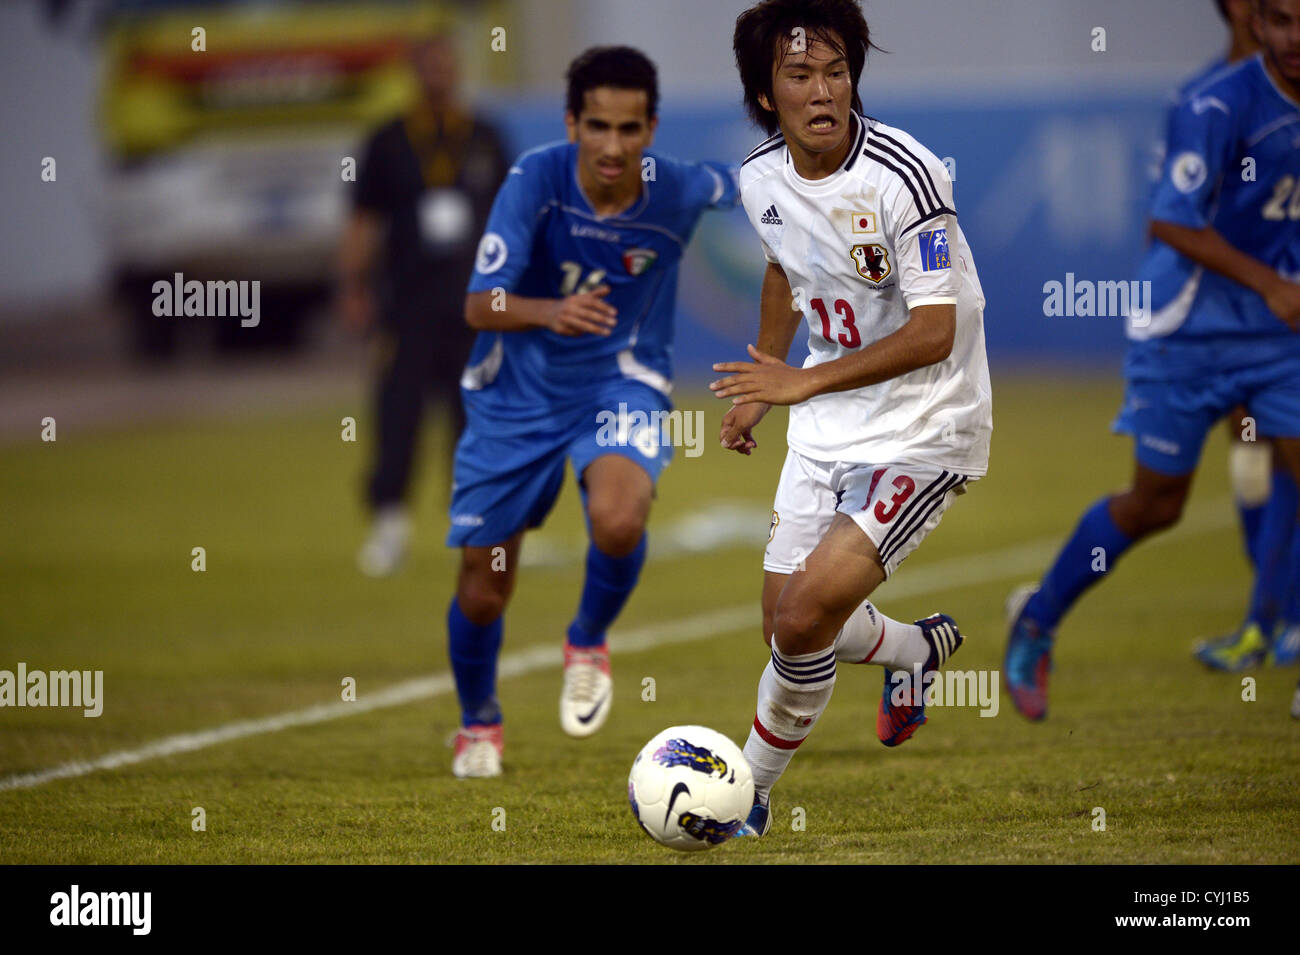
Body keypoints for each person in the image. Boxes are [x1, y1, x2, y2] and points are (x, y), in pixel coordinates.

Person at [713, 0, 991, 836]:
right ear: (767, 94)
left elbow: (935, 331)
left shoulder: (904, 175)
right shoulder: (760, 177)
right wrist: (768, 375)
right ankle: (915, 650)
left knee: (803, 620)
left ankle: (747, 795)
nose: (823, 91)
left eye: (837, 72)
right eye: (800, 75)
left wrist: (808, 380)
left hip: (925, 422)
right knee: (784, 621)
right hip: (826, 422)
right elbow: (780, 264)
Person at [445, 46, 739, 777]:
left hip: (621, 381)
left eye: (630, 129)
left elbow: (759, 188)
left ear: (652, 128)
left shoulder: (678, 189)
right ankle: (479, 721)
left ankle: (587, 640)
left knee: (618, 516)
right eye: (598, 126)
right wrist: (553, 309)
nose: (614, 145)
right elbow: (481, 302)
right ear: (573, 123)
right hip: (517, 396)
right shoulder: (535, 179)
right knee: (485, 587)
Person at [1004, 0, 1300, 721]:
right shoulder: (1215, 104)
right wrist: (1268, 282)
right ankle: (1038, 619)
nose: (1295, 38)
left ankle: (1274, 627)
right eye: (1282, 20)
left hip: (1278, 339)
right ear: (1254, 24)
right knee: (1156, 504)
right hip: (1186, 331)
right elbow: (1170, 218)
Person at [339, 34, 510, 577]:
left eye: (447, 65)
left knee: (477, 421)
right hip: (406, 305)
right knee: (398, 417)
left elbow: (513, 220)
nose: (439, 74)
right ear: (414, 72)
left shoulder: (484, 136)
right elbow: (364, 219)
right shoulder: (388, 140)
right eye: (429, 66)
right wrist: (355, 285)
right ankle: (388, 527)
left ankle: (478, 532)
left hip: (473, 307)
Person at [1180, 0, 1300, 670]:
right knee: (1256, 454)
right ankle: (1271, 617)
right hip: (1252, 316)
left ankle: (1274, 619)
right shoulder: (1212, 100)